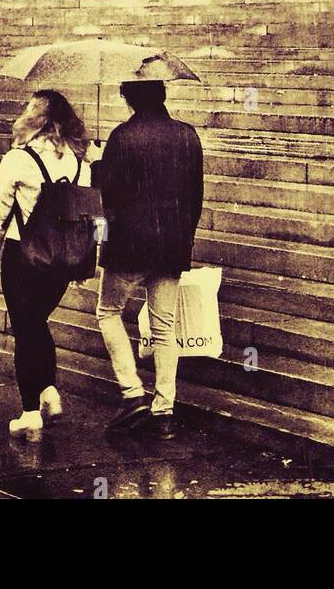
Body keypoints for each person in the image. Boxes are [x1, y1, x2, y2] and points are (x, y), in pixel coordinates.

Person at [0, 90, 92, 442]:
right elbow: (84, 214)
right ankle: (48, 392)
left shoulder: (18, 159)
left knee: (25, 329)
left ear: (35, 117)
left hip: (22, 256)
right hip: (60, 259)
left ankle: (29, 413)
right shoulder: (79, 161)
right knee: (37, 322)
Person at [92, 79, 203, 439]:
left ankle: (132, 391)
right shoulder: (188, 135)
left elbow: (105, 196)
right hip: (172, 245)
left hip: (129, 244)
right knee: (164, 327)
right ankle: (164, 410)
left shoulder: (122, 137)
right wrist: (183, 237)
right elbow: (195, 196)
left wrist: (97, 162)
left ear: (130, 98)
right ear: (163, 96)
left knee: (108, 312)